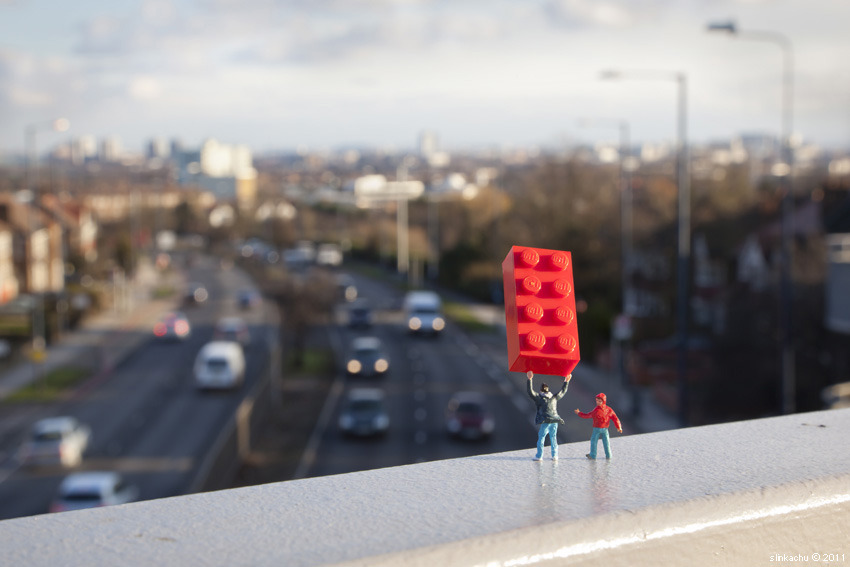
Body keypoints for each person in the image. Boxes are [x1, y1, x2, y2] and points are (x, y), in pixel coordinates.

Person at [526, 370, 571, 461]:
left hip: (545, 420)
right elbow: (563, 391)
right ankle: (555, 455)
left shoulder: (539, 398)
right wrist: (566, 381)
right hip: (555, 420)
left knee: (541, 438)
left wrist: (530, 379)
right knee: (553, 438)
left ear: (541, 390)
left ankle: (539, 456)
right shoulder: (554, 397)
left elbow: (530, 392)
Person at [574, 393, 622, 460]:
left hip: (598, 429)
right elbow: (615, 418)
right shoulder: (608, 409)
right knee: (605, 442)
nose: (597, 402)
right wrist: (618, 427)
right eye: (597, 401)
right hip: (604, 429)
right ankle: (608, 455)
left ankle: (594, 455)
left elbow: (587, 416)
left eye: (599, 401)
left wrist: (579, 413)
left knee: (595, 441)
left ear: (603, 401)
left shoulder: (597, 410)